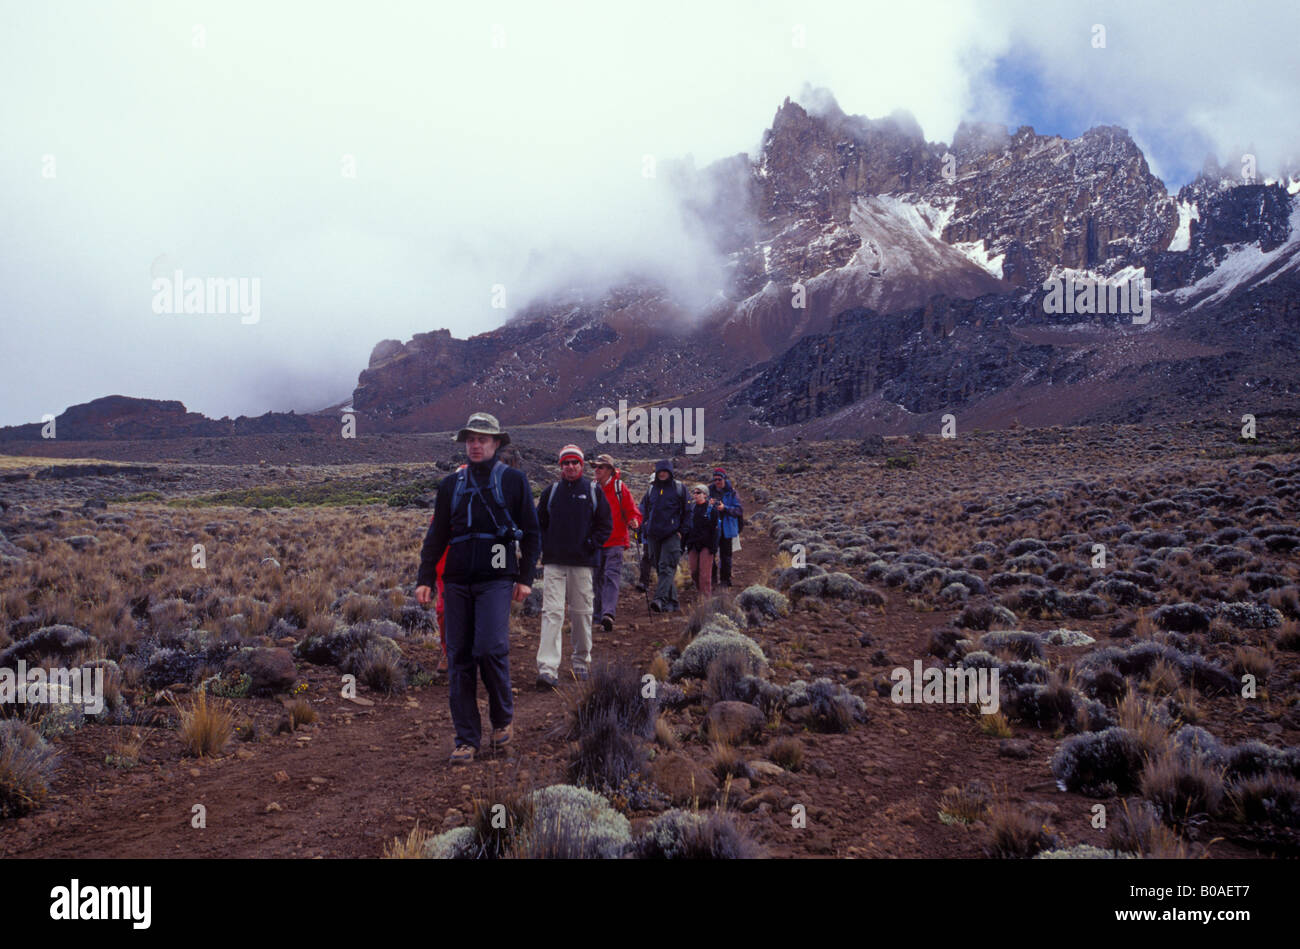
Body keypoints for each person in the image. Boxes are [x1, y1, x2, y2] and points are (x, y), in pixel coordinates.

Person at [416, 413, 539, 765]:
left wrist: (526, 578)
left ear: (497, 443)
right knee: (459, 658)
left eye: (483, 439)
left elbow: (531, 533)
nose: (475, 444)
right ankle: (466, 738)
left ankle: (502, 719)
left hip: (497, 578)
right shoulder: (450, 486)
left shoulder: (514, 481)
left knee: (489, 648)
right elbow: (437, 535)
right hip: (456, 581)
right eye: (470, 438)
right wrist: (426, 578)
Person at [535, 445, 612, 688]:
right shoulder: (551, 493)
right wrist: (545, 548)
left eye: (574, 463)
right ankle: (547, 669)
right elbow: (539, 524)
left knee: (581, 613)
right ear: (560, 466)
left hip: (582, 563)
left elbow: (605, 524)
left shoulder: (592, 491)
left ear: (581, 464)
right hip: (555, 563)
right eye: (566, 463)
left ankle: (581, 661)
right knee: (552, 613)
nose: (570, 467)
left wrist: (591, 544)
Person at [591, 454, 641, 632]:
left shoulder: (620, 488)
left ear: (610, 470)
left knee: (611, 576)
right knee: (596, 579)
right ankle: (597, 616)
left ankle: (608, 614)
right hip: (596, 543)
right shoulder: (592, 488)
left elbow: (632, 511)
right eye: (595, 467)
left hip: (616, 541)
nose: (596, 470)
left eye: (601, 467)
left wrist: (634, 520)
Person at [640, 459, 688, 613]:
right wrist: (645, 526)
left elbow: (688, 512)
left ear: (670, 472)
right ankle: (672, 602)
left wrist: (682, 531)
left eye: (665, 471)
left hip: (671, 534)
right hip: (653, 534)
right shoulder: (651, 490)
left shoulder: (679, 488)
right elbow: (644, 509)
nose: (662, 474)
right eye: (660, 471)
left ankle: (659, 599)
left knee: (666, 566)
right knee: (660, 568)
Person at [683, 483, 721, 598]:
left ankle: (705, 599)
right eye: (694, 492)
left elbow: (715, 530)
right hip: (693, 544)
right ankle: (701, 591)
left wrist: (713, 547)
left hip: (707, 545)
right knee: (694, 571)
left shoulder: (712, 510)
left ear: (705, 495)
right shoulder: (691, 509)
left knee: (704, 573)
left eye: (698, 493)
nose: (695, 495)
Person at [708, 467, 743, 588]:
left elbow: (739, 510)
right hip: (712, 528)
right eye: (715, 479)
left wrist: (725, 508)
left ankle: (725, 580)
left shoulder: (732, 492)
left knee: (726, 556)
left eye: (720, 479)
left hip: (726, 528)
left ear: (724, 478)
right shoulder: (709, 491)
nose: (717, 481)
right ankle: (712, 579)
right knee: (710, 555)